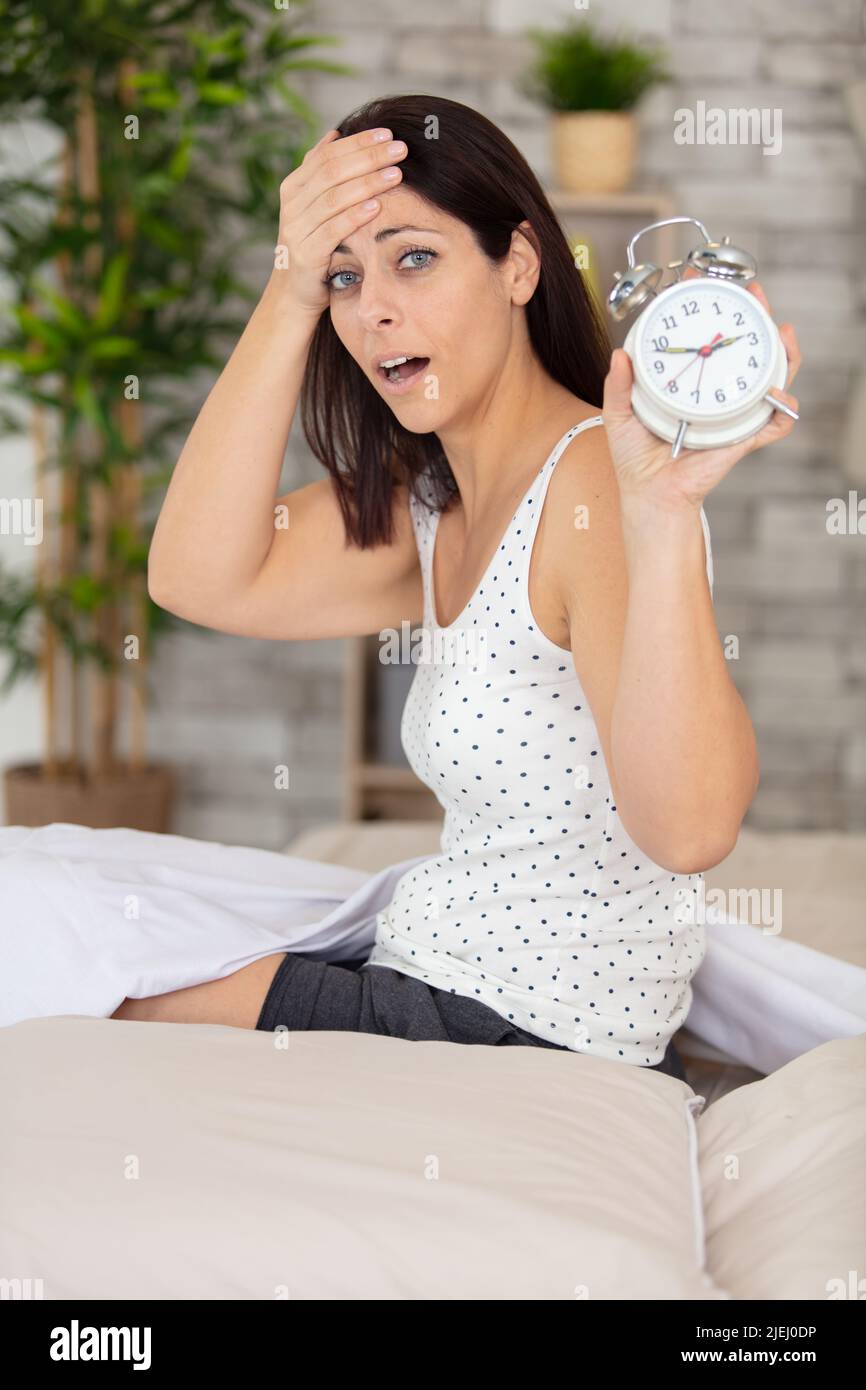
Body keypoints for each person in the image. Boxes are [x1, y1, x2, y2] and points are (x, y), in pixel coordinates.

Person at [114, 95, 801, 1082]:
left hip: (520, 1030)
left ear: (517, 265)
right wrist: (286, 285)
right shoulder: (432, 500)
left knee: (94, 980)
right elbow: (194, 576)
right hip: (437, 975)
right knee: (76, 919)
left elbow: (689, 830)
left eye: (415, 258)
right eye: (344, 276)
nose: (373, 308)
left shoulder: (593, 487)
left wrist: (656, 518)